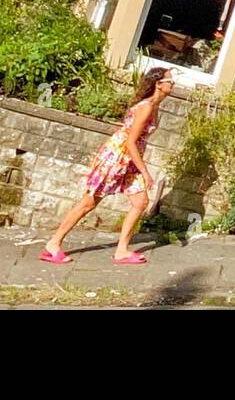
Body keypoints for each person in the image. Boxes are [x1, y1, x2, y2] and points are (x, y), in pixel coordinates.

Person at [40, 67, 175, 265]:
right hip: (118, 157)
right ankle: (53, 244)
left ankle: (121, 251)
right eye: (170, 81)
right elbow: (130, 142)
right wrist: (145, 171)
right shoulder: (146, 107)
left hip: (130, 159)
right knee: (89, 203)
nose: (173, 85)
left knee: (140, 202)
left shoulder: (154, 107)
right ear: (159, 84)